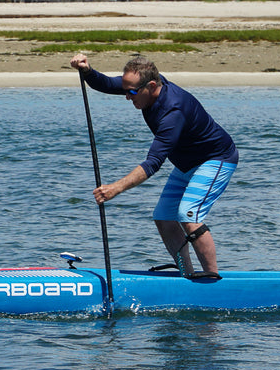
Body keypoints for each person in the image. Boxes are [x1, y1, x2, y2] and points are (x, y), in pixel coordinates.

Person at [70, 54, 238, 280]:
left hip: (216, 159)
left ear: (151, 85)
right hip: (187, 163)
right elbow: (108, 84)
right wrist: (87, 71)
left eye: (131, 92)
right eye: (126, 90)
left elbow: (153, 163)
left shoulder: (173, 112)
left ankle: (211, 279)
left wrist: (115, 188)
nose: (127, 97)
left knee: (188, 214)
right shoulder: (144, 87)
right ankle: (186, 274)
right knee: (163, 216)